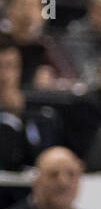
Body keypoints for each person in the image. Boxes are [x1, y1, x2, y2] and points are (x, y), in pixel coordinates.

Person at [0, 34, 61, 171]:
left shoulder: (39, 112)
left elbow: (44, 157)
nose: (5, 75)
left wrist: (18, 116)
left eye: (10, 66)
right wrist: (10, 117)